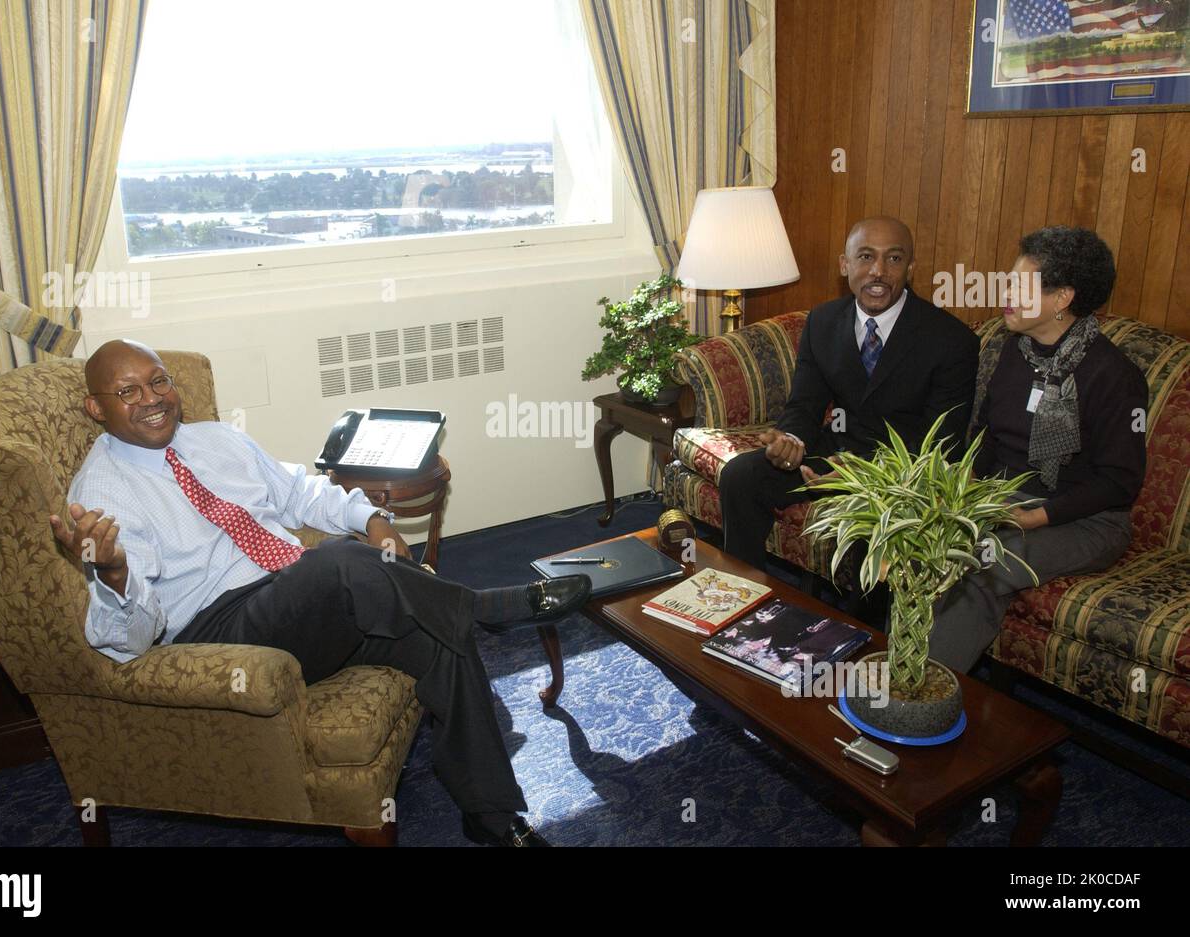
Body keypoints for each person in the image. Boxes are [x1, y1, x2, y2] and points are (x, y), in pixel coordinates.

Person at [50, 339, 593, 847]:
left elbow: (300, 493)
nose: (152, 399)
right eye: (128, 391)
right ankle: (483, 607)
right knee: (339, 562)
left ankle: (491, 815)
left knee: (434, 634)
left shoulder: (216, 438)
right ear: (95, 409)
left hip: (299, 605)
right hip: (221, 631)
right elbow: (127, 644)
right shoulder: (101, 494)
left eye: (159, 381)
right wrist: (116, 576)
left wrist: (371, 515)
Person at [927, 227, 1147, 672]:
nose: (1004, 292)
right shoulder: (1014, 352)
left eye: (1019, 285)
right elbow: (988, 436)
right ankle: (889, 662)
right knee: (921, 533)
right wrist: (962, 489)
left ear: (1062, 298)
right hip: (1006, 497)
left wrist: (1034, 517)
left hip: (1085, 520)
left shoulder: (1114, 375)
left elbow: (1119, 482)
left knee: (981, 563)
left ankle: (921, 697)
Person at [720, 216, 980, 571]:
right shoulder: (824, 321)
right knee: (742, 475)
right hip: (837, 452)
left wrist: (863, 474)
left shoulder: (950, 340)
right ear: (845, 265)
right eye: (865, 257)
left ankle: (866, 625)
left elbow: (942, 442)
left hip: (901, 474)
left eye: (893, 259)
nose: (878, 271)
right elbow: (804, 405)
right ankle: (742, 595)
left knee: (869, 520)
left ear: (910, 268)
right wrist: (791, 442)